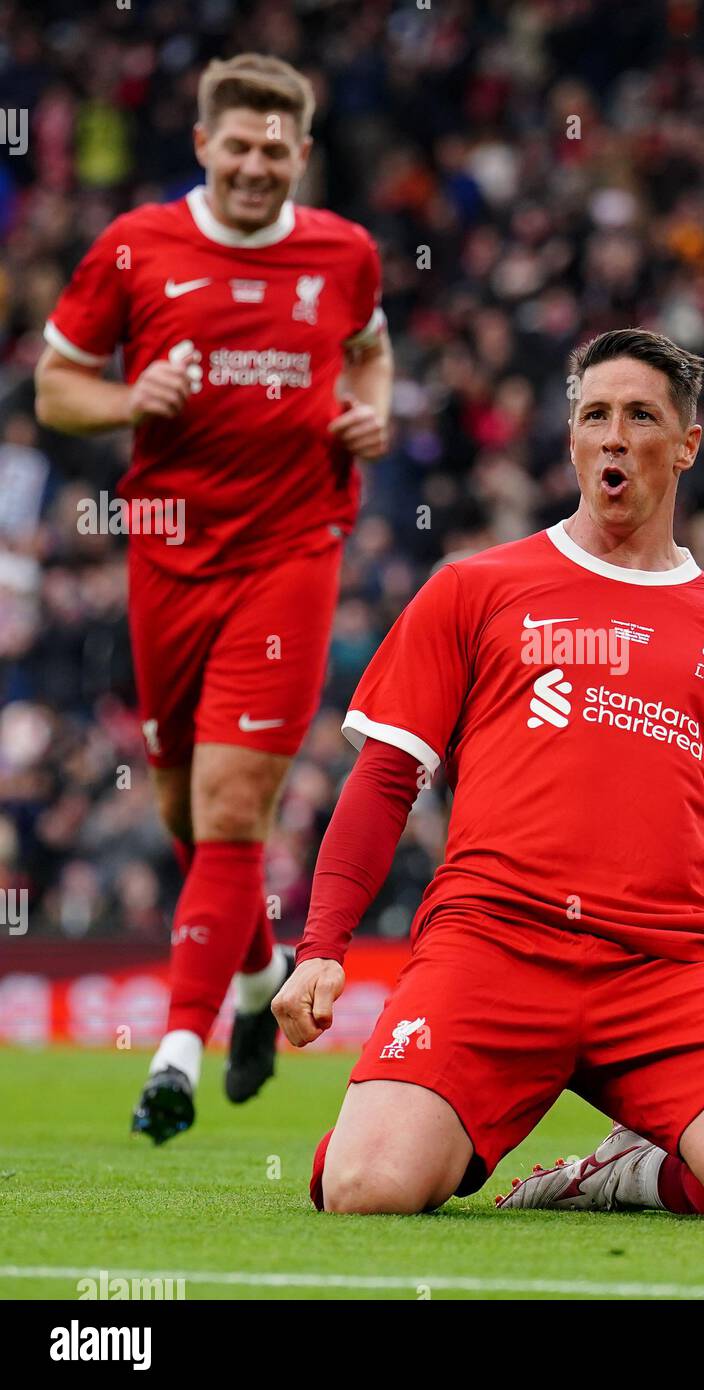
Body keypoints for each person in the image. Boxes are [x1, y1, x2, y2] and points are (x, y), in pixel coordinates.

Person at [274, 329, 704, 1221]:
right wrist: (321, 948)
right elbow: (387, 778)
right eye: (596, 415)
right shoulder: (473, 589)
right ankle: (391, 1122)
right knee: (367, 1189)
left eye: (641, 416)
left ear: (687, 445)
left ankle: (625, 1173)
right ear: (573, 440)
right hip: (493, 945)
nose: (615, 435)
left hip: (668, 964)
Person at [34, 53, 392, 1143]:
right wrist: (126, 397)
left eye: (275, 147)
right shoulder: (135, 247)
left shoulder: (345, 253)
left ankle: (173, 1059)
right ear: (203, 144)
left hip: (291, 550)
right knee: (187, 818)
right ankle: (255, 979)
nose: (254, 163)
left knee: (235, 811)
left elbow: (371, 354)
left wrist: (369, 412)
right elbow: (54, 389)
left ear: (300, 152)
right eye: (236, 144)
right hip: (164, 550)